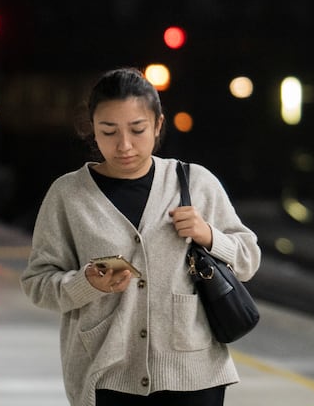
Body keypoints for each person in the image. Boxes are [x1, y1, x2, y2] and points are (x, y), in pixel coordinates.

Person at [21, 67, 261, 406]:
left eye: (137, 130)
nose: (124, 145)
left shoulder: (195, 183)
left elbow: (249, 259)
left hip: (194, 375)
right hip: (107, 374)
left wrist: (208, 235)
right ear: (92, 128)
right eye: (108, 131)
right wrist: (86, 283)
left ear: (158, 125)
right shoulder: (68, 195)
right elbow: (37, 283)